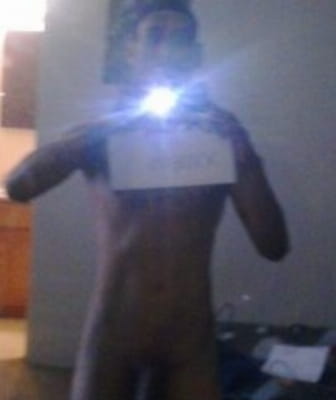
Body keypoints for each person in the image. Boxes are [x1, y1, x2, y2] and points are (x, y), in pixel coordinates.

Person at [6, 1, 290, 399]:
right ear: (129, 50)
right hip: (114, 334)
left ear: (193, 55)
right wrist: (92, 135)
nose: (167, 49)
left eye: (180, 39)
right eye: (155, 36)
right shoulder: (100, 135)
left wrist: (246, 158)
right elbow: (18, 186)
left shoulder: (220, 136)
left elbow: (274, 246)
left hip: (189, 339)